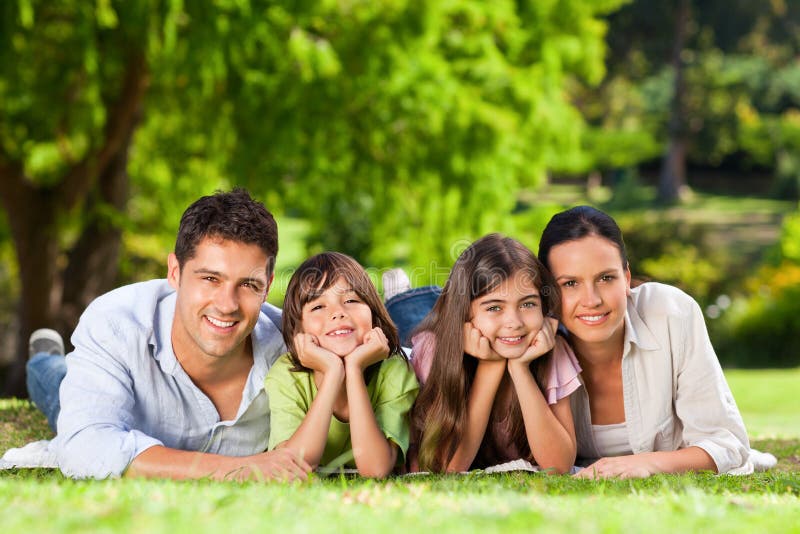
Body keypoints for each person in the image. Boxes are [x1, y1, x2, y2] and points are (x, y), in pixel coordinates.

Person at [25, 189, 311, 481]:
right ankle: (44, 359)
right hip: (103, 386)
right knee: (57, 388)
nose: (227, 305)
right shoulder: (116, 324)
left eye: (249, 285)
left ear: (267, 286)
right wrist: (242, 469)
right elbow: (86, 446)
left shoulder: (293, 346)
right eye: (210, 278)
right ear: (174, 272)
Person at [537, 205, 761, 478]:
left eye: (606, 278)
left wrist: (645, 463)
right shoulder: (533, 342)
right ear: (548, 292)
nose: (592, 300)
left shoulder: (670, 313)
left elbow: (728, 444)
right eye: (570, 283)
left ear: (626, 278)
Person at [409, 234, 580, 473]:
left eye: (528, 304)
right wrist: (490, 366)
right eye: (494, 307)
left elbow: (559, 465)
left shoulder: (553, 349)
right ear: (465, 312)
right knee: (406, 312)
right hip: (421, 323)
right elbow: (446, 467)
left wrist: (520, 369)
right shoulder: (433, 349)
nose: (514, 322)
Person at [265, 252, 419, 477]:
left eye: (351, 301)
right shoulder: (285, 374)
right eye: (318, 306)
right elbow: (294, 465)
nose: (338, 313)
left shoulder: (395, 369)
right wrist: (333, 373)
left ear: (373, 314)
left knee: (420, 328)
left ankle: (401, 298)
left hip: (411, 349)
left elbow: (376, 469)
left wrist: (354, 369)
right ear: (298, 330)